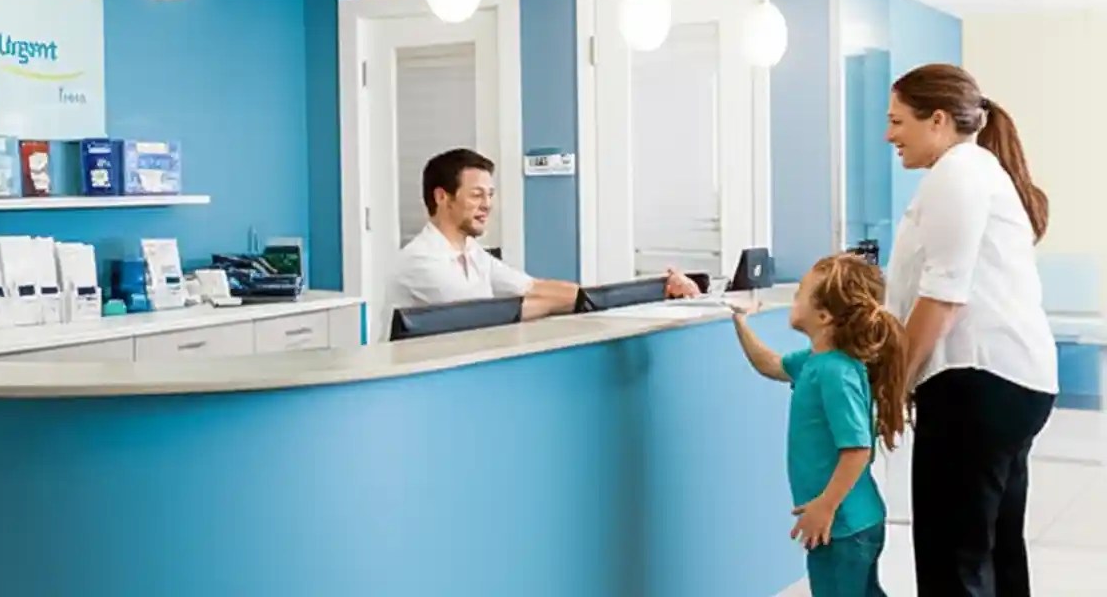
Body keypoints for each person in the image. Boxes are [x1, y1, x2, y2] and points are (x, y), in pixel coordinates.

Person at [884, 64, 1057, 596]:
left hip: (975, 384)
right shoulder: (978, 170)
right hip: (1007, 383)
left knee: (952, 558)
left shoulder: (958, 172)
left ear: (937, 119)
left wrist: (893, 383)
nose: (890, 135)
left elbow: (944, 298)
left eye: (897, 121)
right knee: (996, 548)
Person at [730, 254, 909, 597]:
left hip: (841, 525)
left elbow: (857, 449)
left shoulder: (835, 373)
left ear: (824, 316)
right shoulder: (816, 361)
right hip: (850, 521)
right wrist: (740, 322)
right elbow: (769, 363)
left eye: (800, 293)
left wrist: (825, 507)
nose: (794, 299)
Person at [388, 148, 700, 322]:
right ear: (443, 197)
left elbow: (532, 286)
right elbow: (489, 314)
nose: (487, 205)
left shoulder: (471, 253)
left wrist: (646, 291)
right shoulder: (420, 260)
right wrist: (595, 303)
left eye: (490, 195)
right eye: (477, 195)